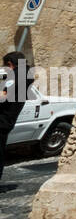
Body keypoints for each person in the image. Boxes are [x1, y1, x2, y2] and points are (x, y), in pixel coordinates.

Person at [0, 52, 30, 185]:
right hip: (7, 121)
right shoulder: (26, 75)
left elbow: (3, 96)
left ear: (10, 64)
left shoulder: (16, 76)